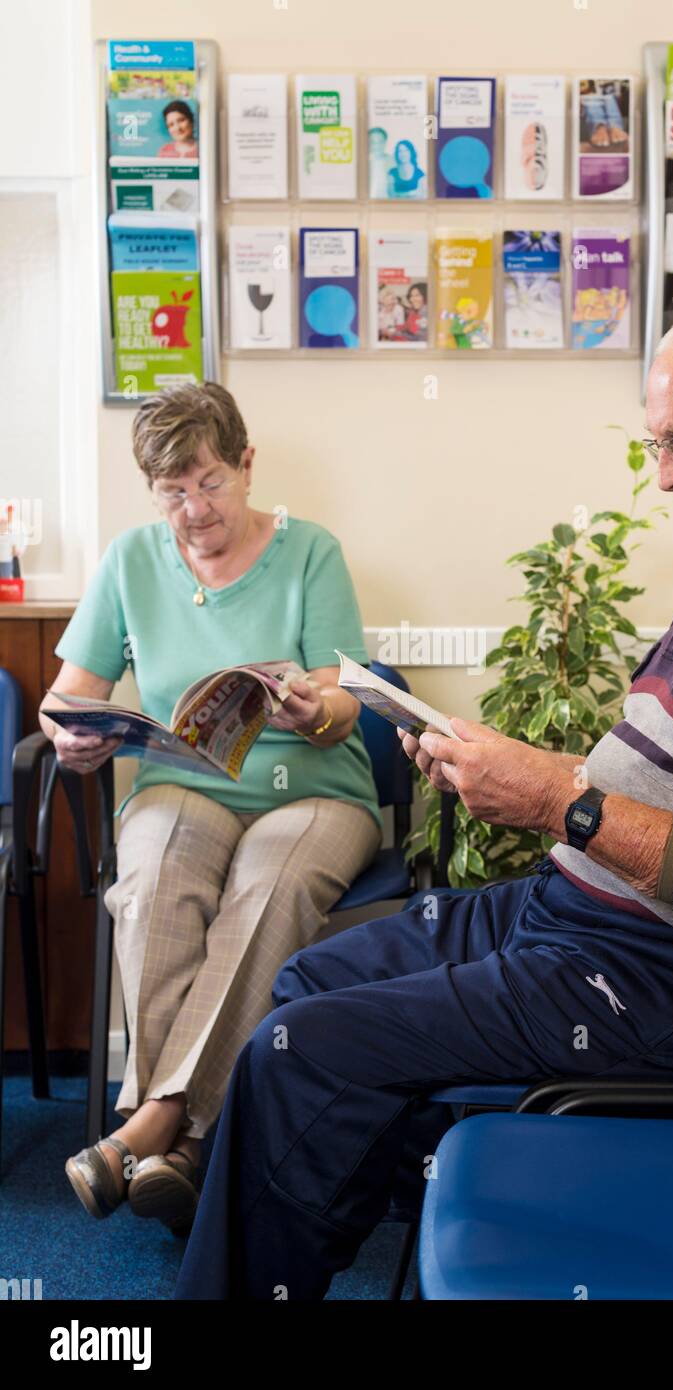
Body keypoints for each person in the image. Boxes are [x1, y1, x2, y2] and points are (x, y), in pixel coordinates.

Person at [175, 300, 673, 1300]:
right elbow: (655, 776)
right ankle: (330, 1249)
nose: (665, 473)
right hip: (575, 912)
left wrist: (557, 802)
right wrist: (521, 770)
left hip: (671, 981)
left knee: (302, 1054)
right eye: (655, 444)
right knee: (305, 983)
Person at [43, 382, 380, 1233]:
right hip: (181, 782)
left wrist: (313, 709)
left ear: (246, 464)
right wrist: (72, 736)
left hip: (311, 788)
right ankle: (189, 1152)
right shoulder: (129, 561)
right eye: (171, 492)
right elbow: (67, 695)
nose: (193, 510)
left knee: (267, 887)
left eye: (209, 483)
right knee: (152, 879)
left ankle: (150, 1123)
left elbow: (347, 704)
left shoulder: (312, 552)